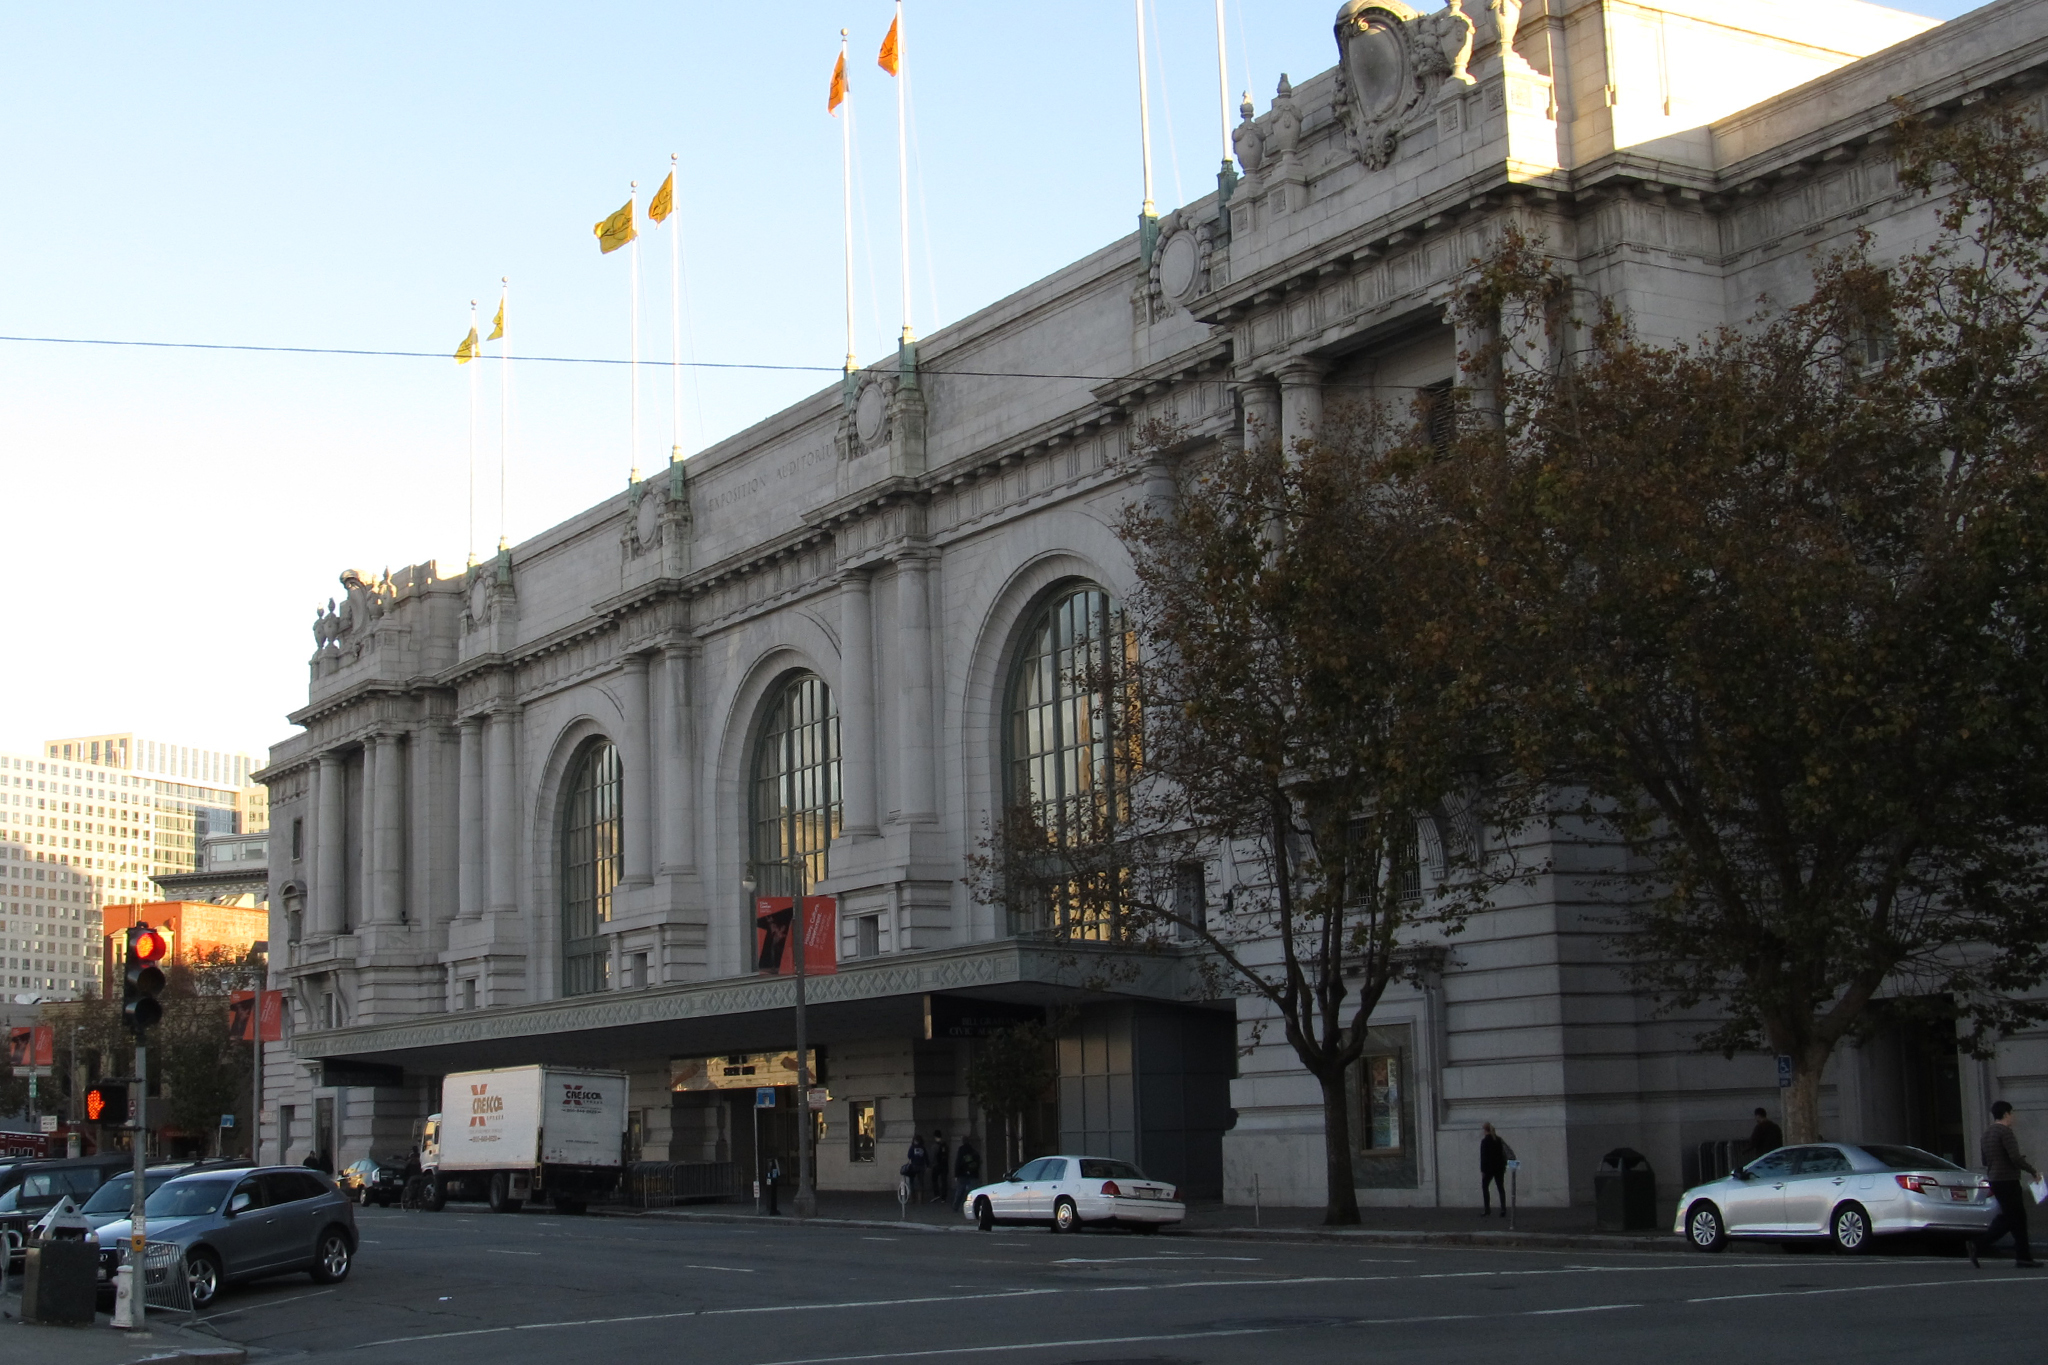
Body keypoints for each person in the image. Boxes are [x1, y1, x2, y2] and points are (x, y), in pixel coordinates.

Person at [1971, 1100, 2041, 1269]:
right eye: (2011, 1113)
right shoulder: (2005, 1132)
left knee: (2015, 1217)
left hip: (1995, 1179)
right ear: (2006, 1114)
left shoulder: (1986, 1134)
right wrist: (2032, 1171)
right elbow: (2015, 1157)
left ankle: (2023, 1257)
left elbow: (1985, 1160)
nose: (2013, 1117)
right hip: (2008, 1179)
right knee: (2013, 1218)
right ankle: (1979, 1244)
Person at [1479, 1123, 1513, 1217]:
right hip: (1499, 1167)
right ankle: (1503, 1209)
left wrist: (1483, 1170)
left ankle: (1487, 1209)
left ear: (1485, 1130)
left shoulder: (1485, 1141)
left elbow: (1483, 1157)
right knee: (1500, 1188)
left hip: (1489, 1168)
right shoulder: (1498, 1140)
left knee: (1485, 1187)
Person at [953, 1137, 981, 1214]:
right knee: (973, 1192)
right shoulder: (974, 1151)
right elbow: (978, 1162)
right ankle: (975, 1207)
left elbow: (958, 1162)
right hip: (973, 1174)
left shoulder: (961, 1150)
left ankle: (956, 1207)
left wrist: (956, 1174)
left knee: (959, 1191)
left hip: (962, 1174)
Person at [929, 1131, 951, 1203]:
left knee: (934, 1179)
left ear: (935, 1137)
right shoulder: (945, 1145)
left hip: (936, 1165)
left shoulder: (934, 1146)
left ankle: (937, 1194)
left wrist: (931, 1165)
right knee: (944, 1181)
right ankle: (944, 1197)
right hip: (944, 1165)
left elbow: (932, 1157)